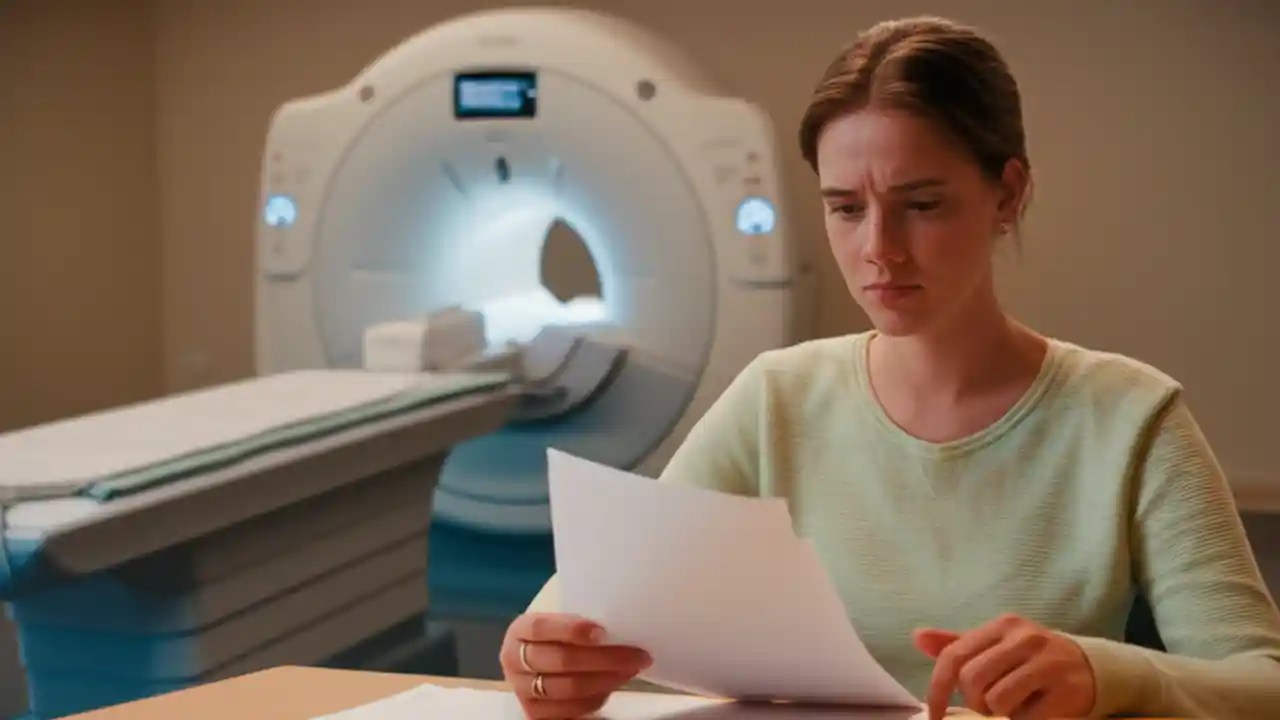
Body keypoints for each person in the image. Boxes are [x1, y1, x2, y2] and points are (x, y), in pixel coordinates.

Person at [499, 15, 1280, 720]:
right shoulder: (776, 398)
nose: (879, 249)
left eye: (922, 204)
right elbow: (584, 605)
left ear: (1008, 194)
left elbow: (1263, 683)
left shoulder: (1132, 418)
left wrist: (1104, 674)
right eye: (846, 208)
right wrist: (543, 654)